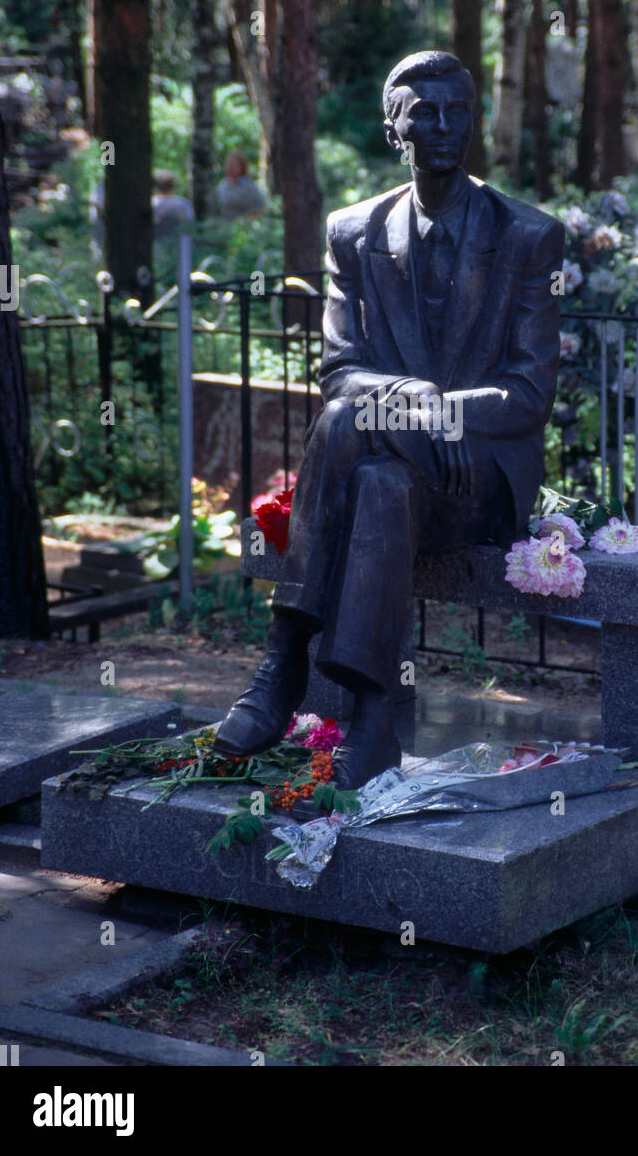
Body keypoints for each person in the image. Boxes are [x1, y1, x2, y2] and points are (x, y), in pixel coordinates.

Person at [213, 51, 565, 787]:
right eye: (424, 113)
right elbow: (340, 370)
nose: (444, 127)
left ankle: (282, 658)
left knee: (348, 425)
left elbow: (529, 395)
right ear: (391, 129)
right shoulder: (353, 232)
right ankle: (372, 721)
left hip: (478, 477)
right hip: (392, 466)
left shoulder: (527, 235)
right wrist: (417, 399)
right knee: (379, 482)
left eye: (458, 112)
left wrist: (441, 414)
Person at [214, 151, 268, 222]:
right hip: (223, 225)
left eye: (233, 165)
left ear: (242, 167)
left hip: (241, 226)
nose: (230, 168)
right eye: (228, 164)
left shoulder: (249, 187)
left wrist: (245, 221)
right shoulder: (222, 185)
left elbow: (261, 208)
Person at [152, 171, 194, 237]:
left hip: (156, 242)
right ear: (173, 186)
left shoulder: (152, 203)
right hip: (179, 242)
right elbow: (189, 227)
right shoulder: (183, 204)